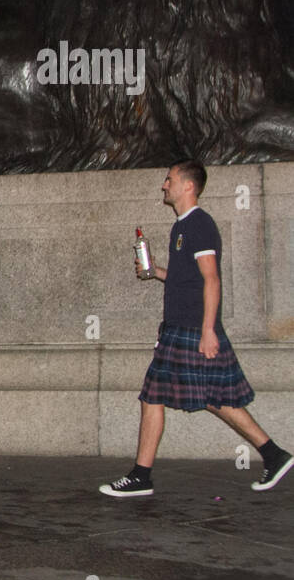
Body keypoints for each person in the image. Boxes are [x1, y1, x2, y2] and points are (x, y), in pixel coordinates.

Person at [101, 161, 294, 496]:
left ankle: (141, 475)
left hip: (192, 328)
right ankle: (274, 455)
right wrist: (157, 272)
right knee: (202, 397)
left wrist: (208, 331)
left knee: (161, 396)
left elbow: (212, 279)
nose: (164, 185)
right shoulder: (182, 227)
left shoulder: (199, 224)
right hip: (181, 328)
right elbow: (189, 278)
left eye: (170, 179)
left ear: (188, 185)